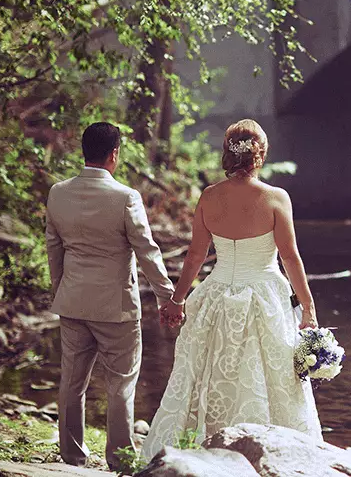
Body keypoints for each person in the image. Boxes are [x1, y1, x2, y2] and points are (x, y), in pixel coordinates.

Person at [140, 118, 321, 460]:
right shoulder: (276, 198)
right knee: (271, 376)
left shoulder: (209, 197)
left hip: (217, 293)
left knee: (209, 372)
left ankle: (209, 450)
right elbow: (290, 257)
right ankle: (273, 456)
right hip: (266, 296)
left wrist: (177, 301)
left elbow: (195, 255)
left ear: (227, 153)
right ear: (260, 154)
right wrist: (308, 307)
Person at [45, 122, 179, 470]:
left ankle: (72, 456)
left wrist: (59, 289)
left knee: (72, 382)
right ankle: (119, 461)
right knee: (120, 383)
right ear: (114, 154)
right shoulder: (125, 198)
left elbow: (53, 247)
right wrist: (169, 297)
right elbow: (147, 251)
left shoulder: (58, 192)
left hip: (73, 301)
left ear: (83, 151)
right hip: (116, 308)